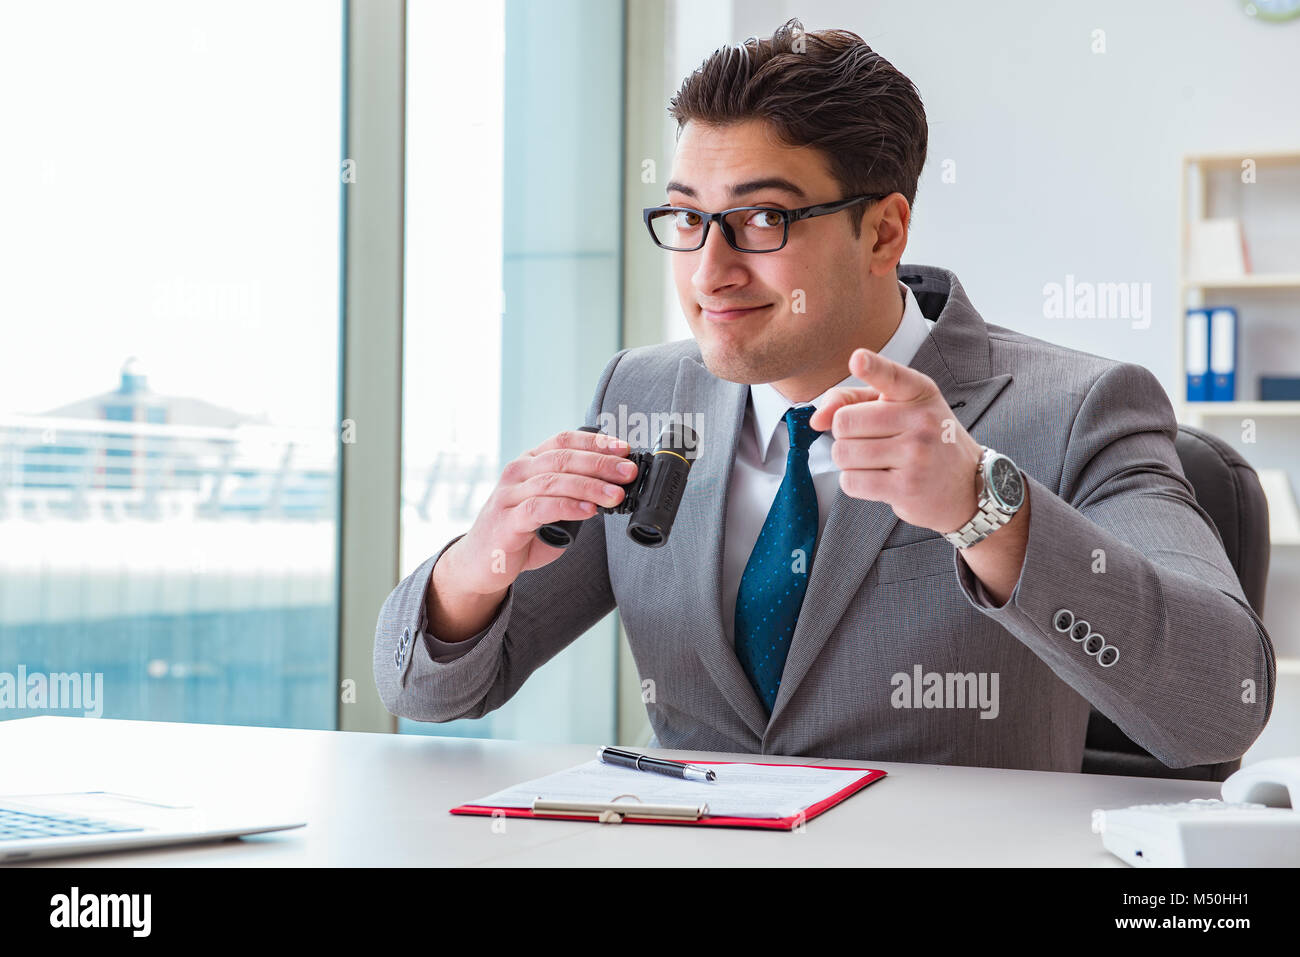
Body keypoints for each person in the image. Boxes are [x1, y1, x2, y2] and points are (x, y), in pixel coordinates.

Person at [373, 19, 1274, 772]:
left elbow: (1218, 705)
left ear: (881, 230)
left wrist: (983, 508)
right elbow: (426, 688)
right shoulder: (643, 394)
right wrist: (476, 563)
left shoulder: (1078, 406)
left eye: (763, 219)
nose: (709, 270)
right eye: (688, 218)